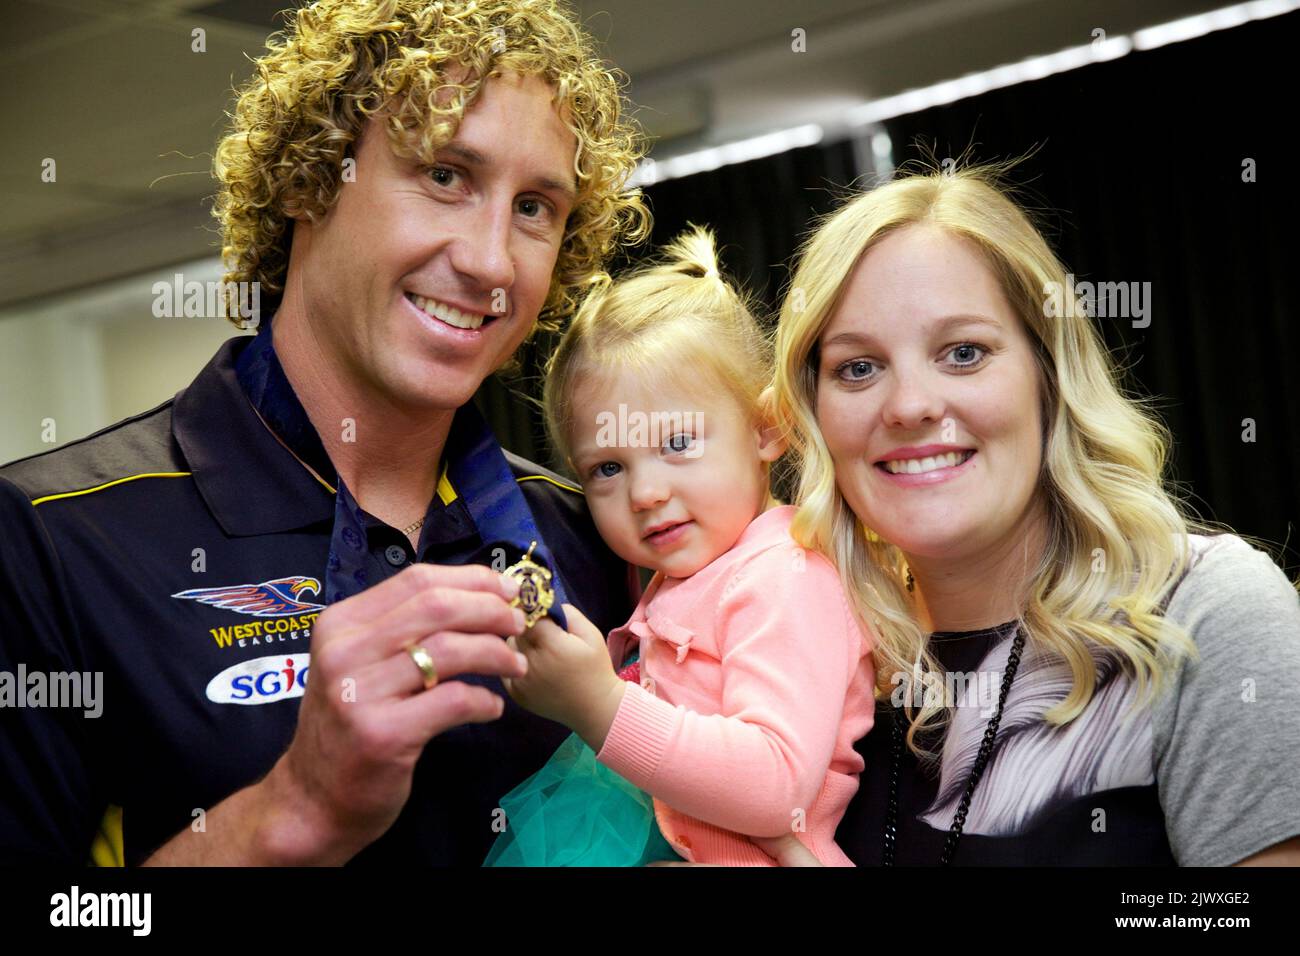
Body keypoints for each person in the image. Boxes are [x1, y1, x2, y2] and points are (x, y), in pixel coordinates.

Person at [0, 0, 650, 866]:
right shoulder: (51, 538)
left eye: (535, 207)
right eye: (446, 175)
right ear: (311, 178)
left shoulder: (597, 537)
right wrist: (290, 812)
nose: (491, 262)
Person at [760, 163, 1300, 866]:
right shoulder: (819, 655)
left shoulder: (1203, 611)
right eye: (858, 367)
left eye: (963, 353)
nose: (910, 405)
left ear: (1050, 373)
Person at [482, 227, 875, 865]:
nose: (644, 492)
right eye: (606, 468)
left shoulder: (784, 573)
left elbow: (777, 786)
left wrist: (600, 704)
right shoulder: (687, 574)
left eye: (678, 444)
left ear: (767, 428)